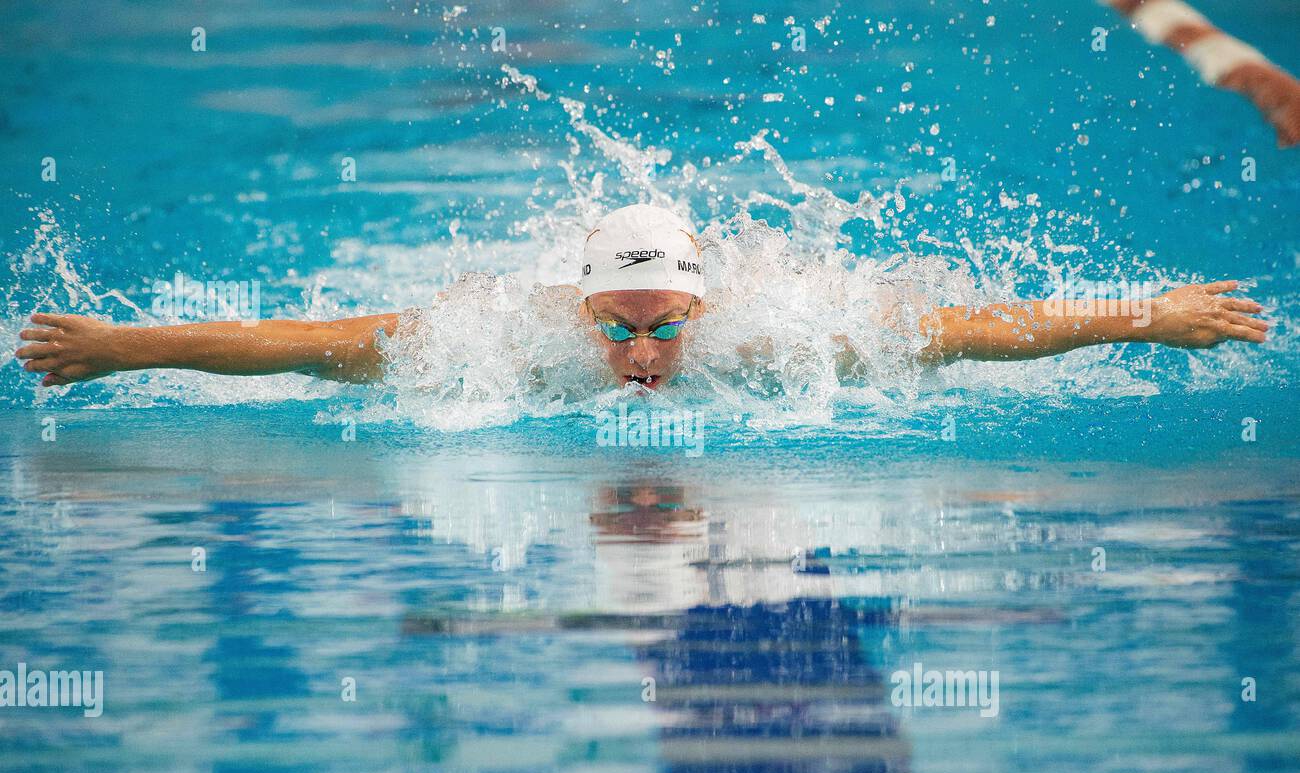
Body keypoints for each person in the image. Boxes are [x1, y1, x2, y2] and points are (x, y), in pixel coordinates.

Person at [13, 204, 1268, 391]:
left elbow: (981, 332)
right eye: (621, 326)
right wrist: (123, 345)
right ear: (579, 313)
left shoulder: (786, 335)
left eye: (669, 325)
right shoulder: (495, 346)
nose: (645, 351)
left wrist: (1143, 314)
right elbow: (297, 345)